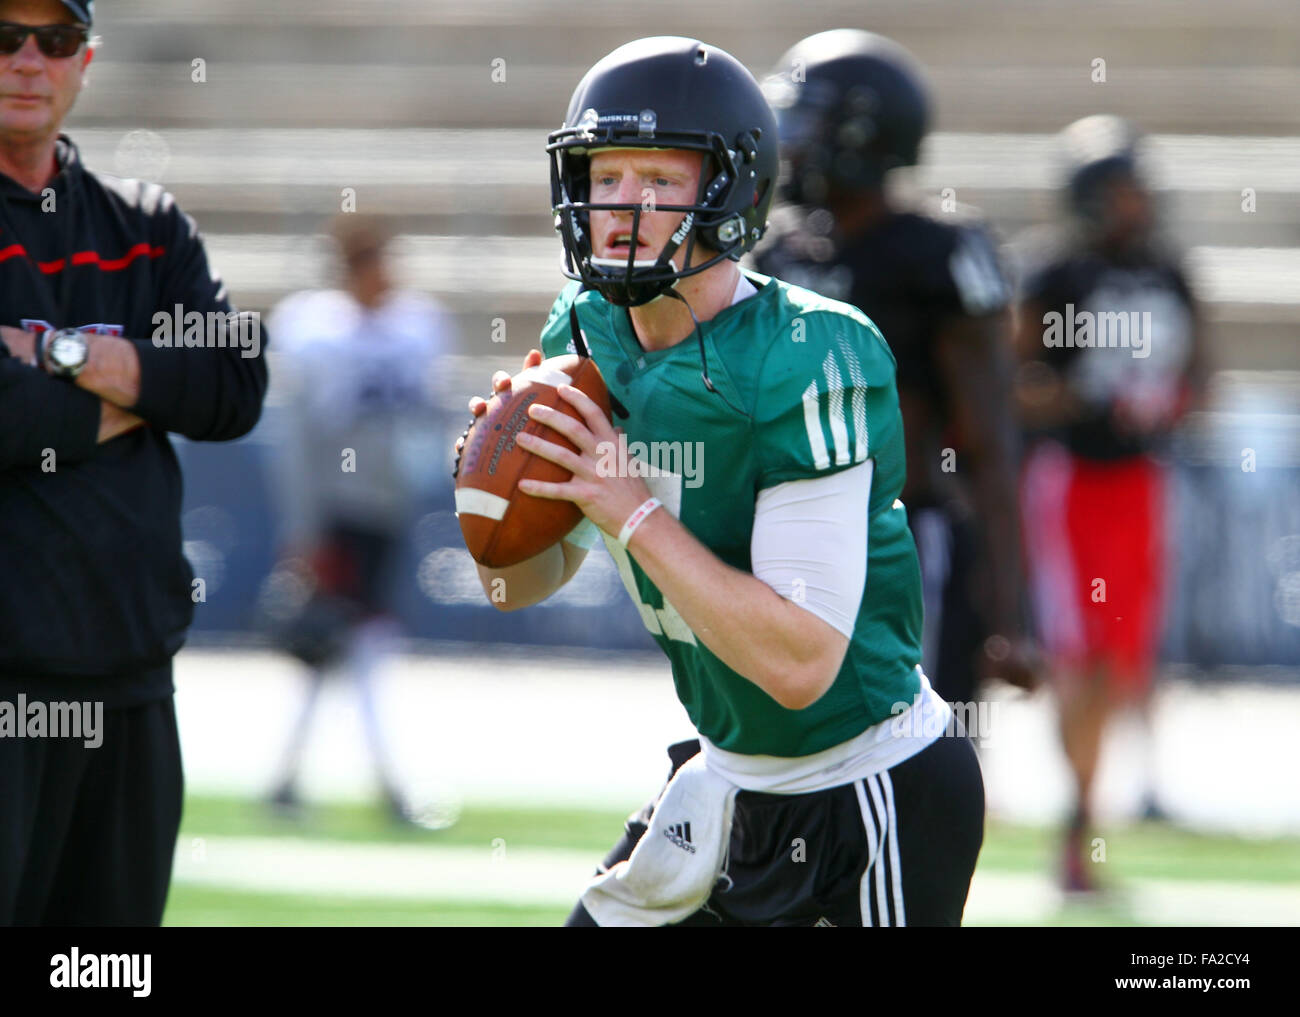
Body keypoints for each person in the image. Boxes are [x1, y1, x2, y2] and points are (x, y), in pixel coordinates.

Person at [458, 36, 984, 926]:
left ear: (727, 194)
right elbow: (516, 587)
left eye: (658, 180)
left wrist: (630, 514)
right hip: (724, 778)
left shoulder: (809, 352)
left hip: (864, 792)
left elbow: (801, 664)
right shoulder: (587, 330)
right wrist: (506, 496)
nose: (623, 207)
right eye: (605, 177)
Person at [0, 0, 267, 924]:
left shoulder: (143, 223)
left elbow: (235, 384)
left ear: (85, 61)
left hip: (131, 681)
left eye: (55, 40)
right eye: (3, 37)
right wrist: (142, 390)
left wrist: (61, 357)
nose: (28, 59)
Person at [753, 30, 1037, 707]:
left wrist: (1014, 614)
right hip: (787, 529)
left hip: (904, 536)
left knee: (918, 753)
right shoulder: (780, 259)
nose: (790, 139)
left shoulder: (938, 255)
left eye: (808, 119)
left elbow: (992, 442)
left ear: (862, 133)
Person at [1013, 114, 1206, 891]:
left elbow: (1202, 372)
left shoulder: (1168, 274)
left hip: (1141, 482)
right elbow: (1016, 382)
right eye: (1121, 192)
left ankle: (1087, 811)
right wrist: (1082, 401)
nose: (1136, 206)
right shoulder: (1056, 275)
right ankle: (1077, 821)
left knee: (1125, 655)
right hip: (1072, 482)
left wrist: (1166, 405)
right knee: (1080, 655)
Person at [264, 214, 453, 826]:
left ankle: (286, 780)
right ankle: (390, 786)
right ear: (351, 271)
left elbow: (428, 418)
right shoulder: (314, 331)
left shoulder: (416, 326)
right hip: (340, 511)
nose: (389, 278)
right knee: (362, 644)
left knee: (334, 651)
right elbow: (295, 439)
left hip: (388, 508)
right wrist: (304, 532)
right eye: (376, 265)